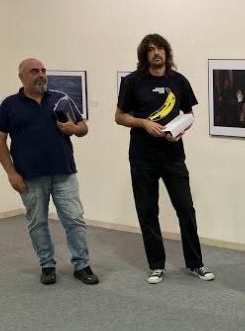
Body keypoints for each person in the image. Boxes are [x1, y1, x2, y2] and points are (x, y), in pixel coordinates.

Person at [115, 33, 214, 285]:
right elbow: (120, 116)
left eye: (160, 48)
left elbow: (189, 114)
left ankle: (195, 264)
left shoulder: (179, 81)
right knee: (148, 211)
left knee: (186, 209)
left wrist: (179, 131)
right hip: (142, 157)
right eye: (151, 49)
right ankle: (156, 265)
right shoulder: (132, 82)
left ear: (167, 53)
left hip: (173, 156)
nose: (156, 53)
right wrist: (143, 123)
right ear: (144, 55)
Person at [0, 58, 99, 285]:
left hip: (64, 173)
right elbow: (1, 141)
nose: (41, 74)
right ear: (22, 77)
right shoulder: (9, 105)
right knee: (38, 223)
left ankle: (82, 265)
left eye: (43, 70)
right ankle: (47, 265)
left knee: (74, 219)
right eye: (34, 71)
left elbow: (83, 128)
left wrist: (74, 128)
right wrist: (11, 173)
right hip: (29, 176)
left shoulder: (60, 98)